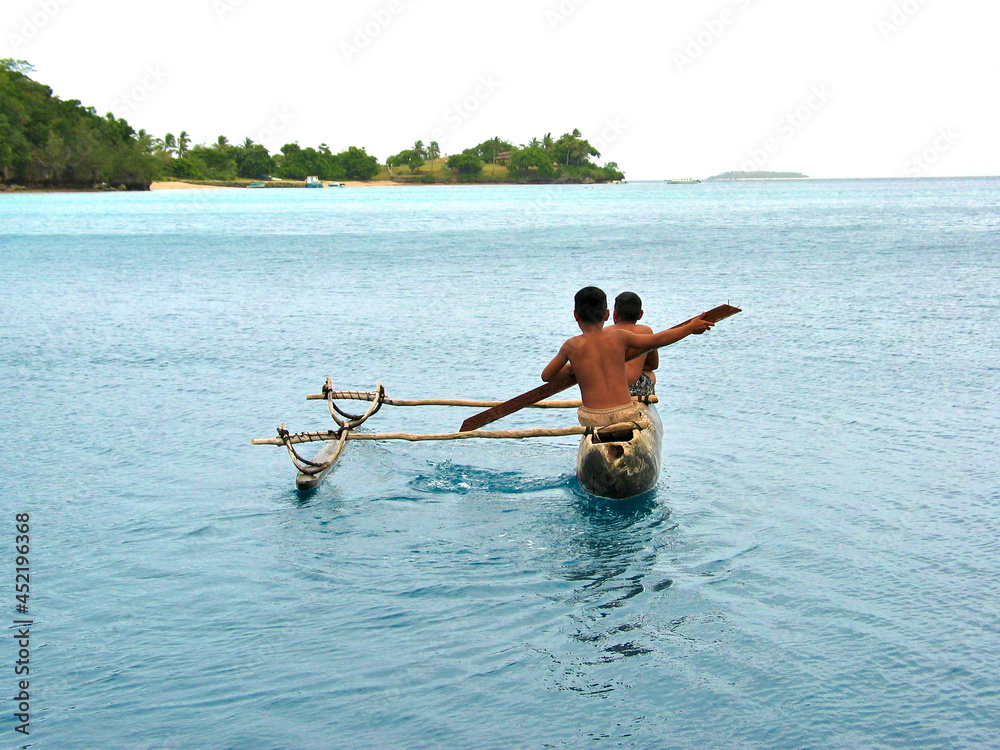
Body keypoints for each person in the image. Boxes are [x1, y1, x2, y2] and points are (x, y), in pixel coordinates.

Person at [541, 286, 713, 428]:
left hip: (592, 418)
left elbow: (547, 376)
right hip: (624, 413)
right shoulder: (619, 337)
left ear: (575, 315)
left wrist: (573, 369)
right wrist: (690, 327)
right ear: (607, 314)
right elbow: (659, 339)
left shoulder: (570, 346)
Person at [608, 291, 658, 398]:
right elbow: (653, 365)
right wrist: (636, 366)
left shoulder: (604, 332)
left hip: (607, 389)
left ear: (615, 313)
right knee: (650, 374)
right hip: (634, 391)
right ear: (640, 314)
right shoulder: (646, 331)